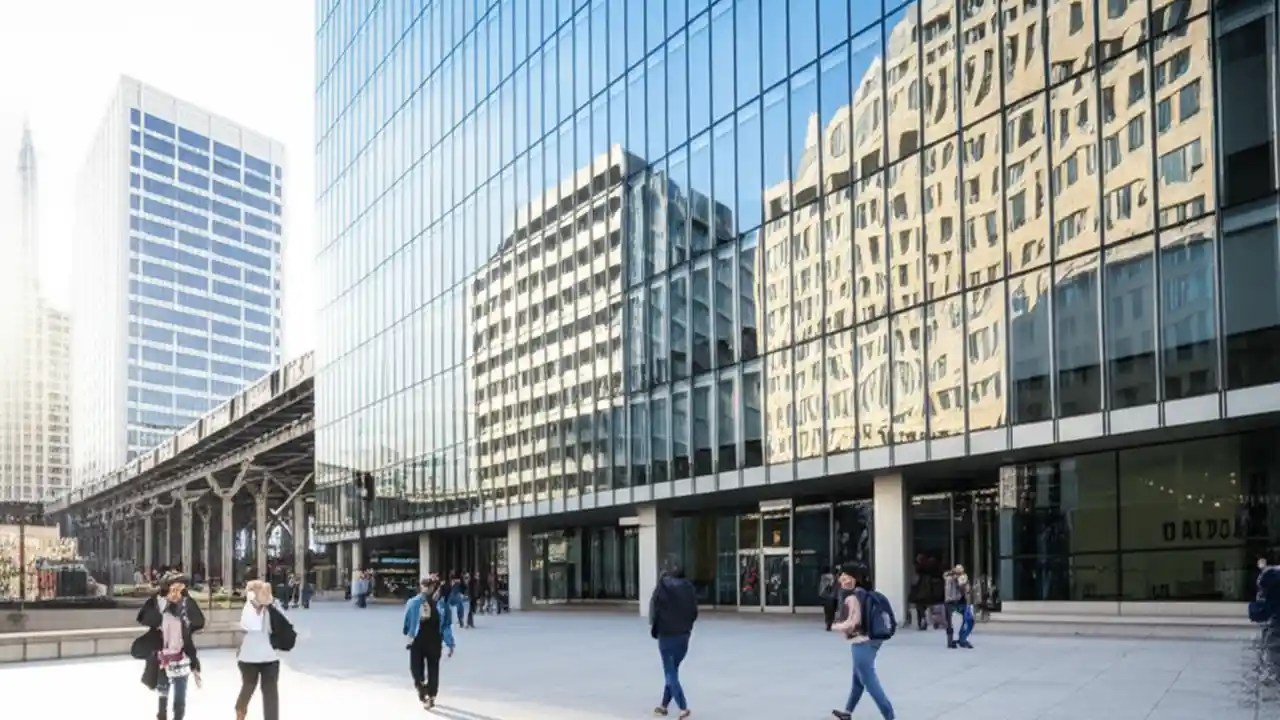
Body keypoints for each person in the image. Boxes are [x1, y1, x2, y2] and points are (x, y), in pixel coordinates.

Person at [134, 572, 205, 720]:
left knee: (180, 700)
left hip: (182, 657)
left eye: (180, 589)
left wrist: (184, 611)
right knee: (163, 694)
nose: (177, 593)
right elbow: (143, 618)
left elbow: (199, 622)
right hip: (162, 658)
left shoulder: (186, 603)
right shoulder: (157, 602)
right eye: (174, 589)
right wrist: (163, 606)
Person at [830, 565, 895, 720]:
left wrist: (834, 626)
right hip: (872, 640)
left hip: (862, 642)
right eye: (841, 576)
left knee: (869, 682)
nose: (842, 579)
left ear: (854, 579)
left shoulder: (852, 597)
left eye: (846, 576)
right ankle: (847, 712)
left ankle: (890, 716)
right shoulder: (862, 593)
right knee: (858, 680)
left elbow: (854, 623)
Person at [648, 559, 698, 718]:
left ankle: (683, 707)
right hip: (684, 637)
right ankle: (663, 706)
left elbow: (654, 610)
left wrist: (655, 629)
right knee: (673, 671)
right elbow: (694, 612)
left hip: (667, 636)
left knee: (670, 673)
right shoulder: (689, 587)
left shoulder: (662, 587)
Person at [403, 578, 457, 709]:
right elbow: (407, 621)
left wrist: (450, 643)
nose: (428, 589)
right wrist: (408, 634)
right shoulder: (414, 603)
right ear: (421, 587)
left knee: (433, 668)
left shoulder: (442, 606)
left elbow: (446, 625)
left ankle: (431, 695)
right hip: (417, 641)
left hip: (434, 640)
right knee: (415, 669)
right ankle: (422, 689)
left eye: (430, 587)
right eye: (425, 586)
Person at [236, 580, 285, 720]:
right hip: (249, 658)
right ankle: (240, 711)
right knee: (248, 686)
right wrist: (258, 604)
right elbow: (251, 625)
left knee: (270, 693)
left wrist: (269, 605)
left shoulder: (274, 605)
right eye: (255, 591)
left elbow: (283, 624)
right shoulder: (249, 607)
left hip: (270, 658)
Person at [943, 564, 974, 649]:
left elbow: (967, 590)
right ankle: (950, 641)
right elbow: (946, 576)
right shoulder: (949, 578)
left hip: (961, 602)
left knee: (967, 620)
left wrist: (965, 585)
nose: (959, 574)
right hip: (951, 602)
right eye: (957, 571)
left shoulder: (964, 578)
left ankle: (962, 639)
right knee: (950, 622)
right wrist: (954, 577)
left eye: (961, 571)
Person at [818, 566, 838, 631]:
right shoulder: (833, 577)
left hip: (826, 596)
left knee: (827, 611)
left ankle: (828, 623)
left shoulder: (823, 578)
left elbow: (822, 589)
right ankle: (830, 623)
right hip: (833, 596)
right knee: (832, 611)